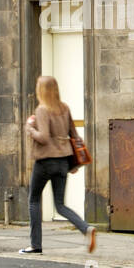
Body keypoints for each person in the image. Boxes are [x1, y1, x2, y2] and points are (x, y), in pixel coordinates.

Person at [21, 75, 96, 255]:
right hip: (63, 161)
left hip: (45, 161)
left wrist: (30, 129)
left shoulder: (42, 110)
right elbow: (75, 136)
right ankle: (86, 228)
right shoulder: (65, 108)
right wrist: (75, 163)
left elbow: (44, 138)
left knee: (34, 200)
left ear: (41, 91)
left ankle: (35, 245)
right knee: (60, 205)